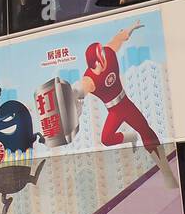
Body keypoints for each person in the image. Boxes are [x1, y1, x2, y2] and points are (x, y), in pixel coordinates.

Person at [73, 20, 176, 188]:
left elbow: (118, 39)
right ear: (94, 62)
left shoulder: (109, 53)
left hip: (125, 104)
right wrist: (76, 104)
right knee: (106, 139)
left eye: (103, 57)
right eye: (99, 61)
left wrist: (130, 29)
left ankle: (166, 171)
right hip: (113, 110)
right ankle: (131, 137)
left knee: (146, 131)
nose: (102, 62)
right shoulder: (89, 80)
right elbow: (79, 90)